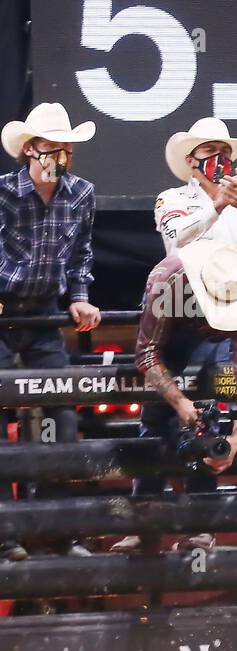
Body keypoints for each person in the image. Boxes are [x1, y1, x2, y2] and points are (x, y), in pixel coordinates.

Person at [111, 118, 237, 554]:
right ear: (192, 160)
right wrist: (218, 204)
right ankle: (145, 524)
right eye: (209, 152)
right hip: (183, 309)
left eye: (224, 151)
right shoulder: (173, 199)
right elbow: (177, 237)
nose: (219, 159)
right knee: (158, 418)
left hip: (234, 307)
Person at [0, 102, 103, 560]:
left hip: (43, 316)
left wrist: (79, 295)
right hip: (3, 315)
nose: (59, 157)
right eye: (51, 147)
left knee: (61, 417)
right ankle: (5, 534)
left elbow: (81, 252)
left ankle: (57, 527)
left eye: (65, 149)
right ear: (30, 150)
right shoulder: (3, 193)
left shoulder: (81, 194)